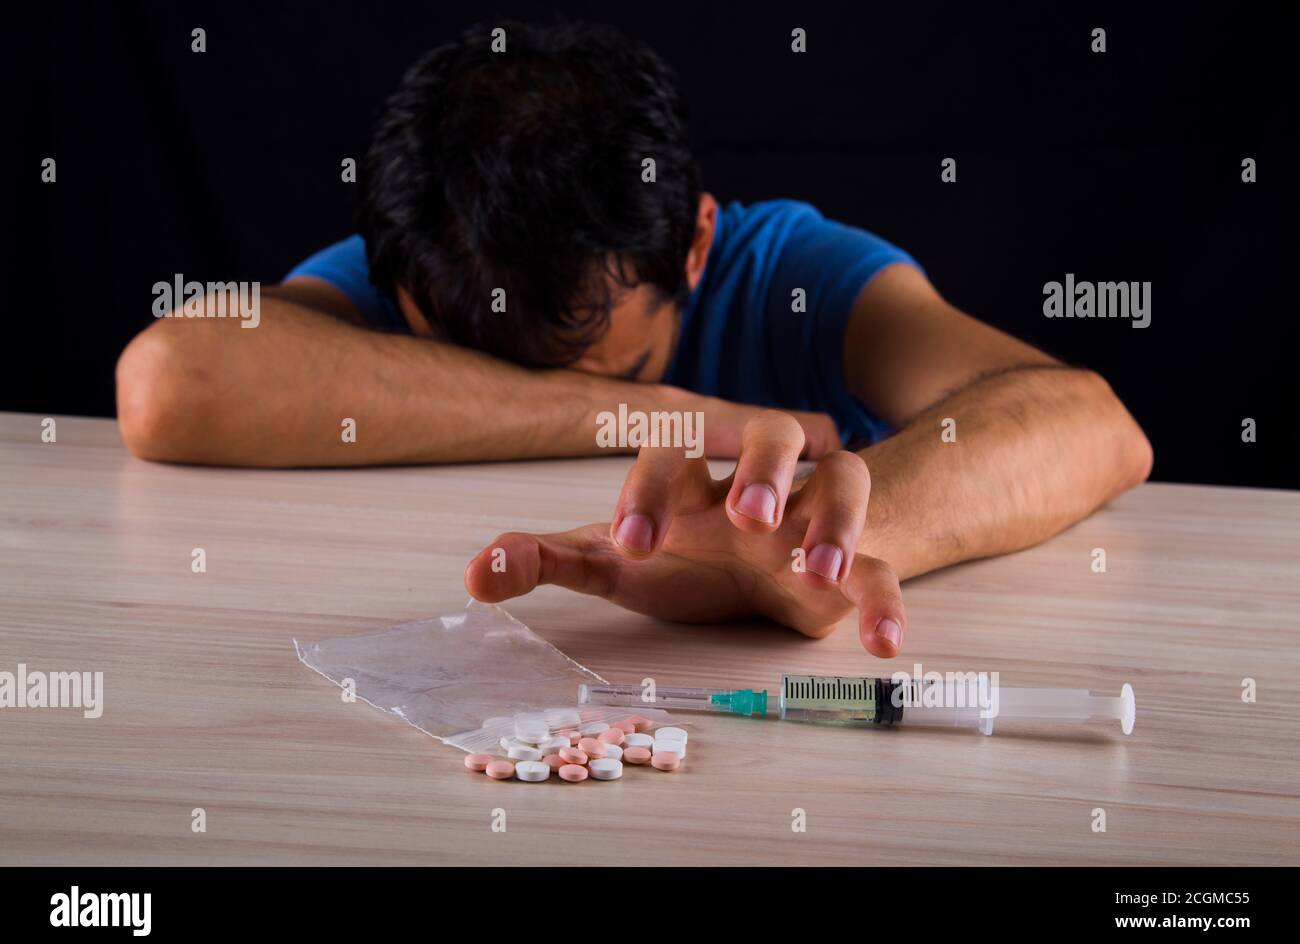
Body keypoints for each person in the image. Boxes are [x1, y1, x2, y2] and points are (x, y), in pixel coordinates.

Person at [115, 21, 1152, 657]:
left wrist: (815, 546)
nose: (513, 382)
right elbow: (167, 379)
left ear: (694, 241)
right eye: (467, 364)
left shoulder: (789, 270)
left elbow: (1090, 424)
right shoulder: (447, 259)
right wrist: (653, 410)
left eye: (599, 358)